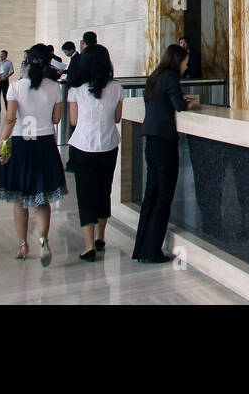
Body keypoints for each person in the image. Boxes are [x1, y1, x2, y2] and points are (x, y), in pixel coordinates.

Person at [0, 44, 67, 266]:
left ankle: (22, 245)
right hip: (45, 143)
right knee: (42, 196)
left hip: (21, 143)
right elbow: (56, 119)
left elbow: (10, 119)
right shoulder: (54, 88)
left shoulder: (16, 88)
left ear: (27, 62)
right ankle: (43, 239)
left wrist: (2, 144)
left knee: (19, 198)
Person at [131, 44, 198, 263]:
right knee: (163, 196)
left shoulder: (155, 76)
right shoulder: (170, 77)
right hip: (164, 141)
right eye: (185, 62)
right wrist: (192, 103)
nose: (186, 67)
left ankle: (142, 247)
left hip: (151, 138)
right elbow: (178, 105)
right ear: (177, 61)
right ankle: (152, 250)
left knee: (151, 194)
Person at [66, 43, 123, 261]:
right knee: (103, 191)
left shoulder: (76, 90)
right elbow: (117, 118)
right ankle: (101, 237)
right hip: (108, 145)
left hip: (83, 146)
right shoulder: (117, 88)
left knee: (85, 194)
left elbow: (73, 120)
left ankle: (88, 246)